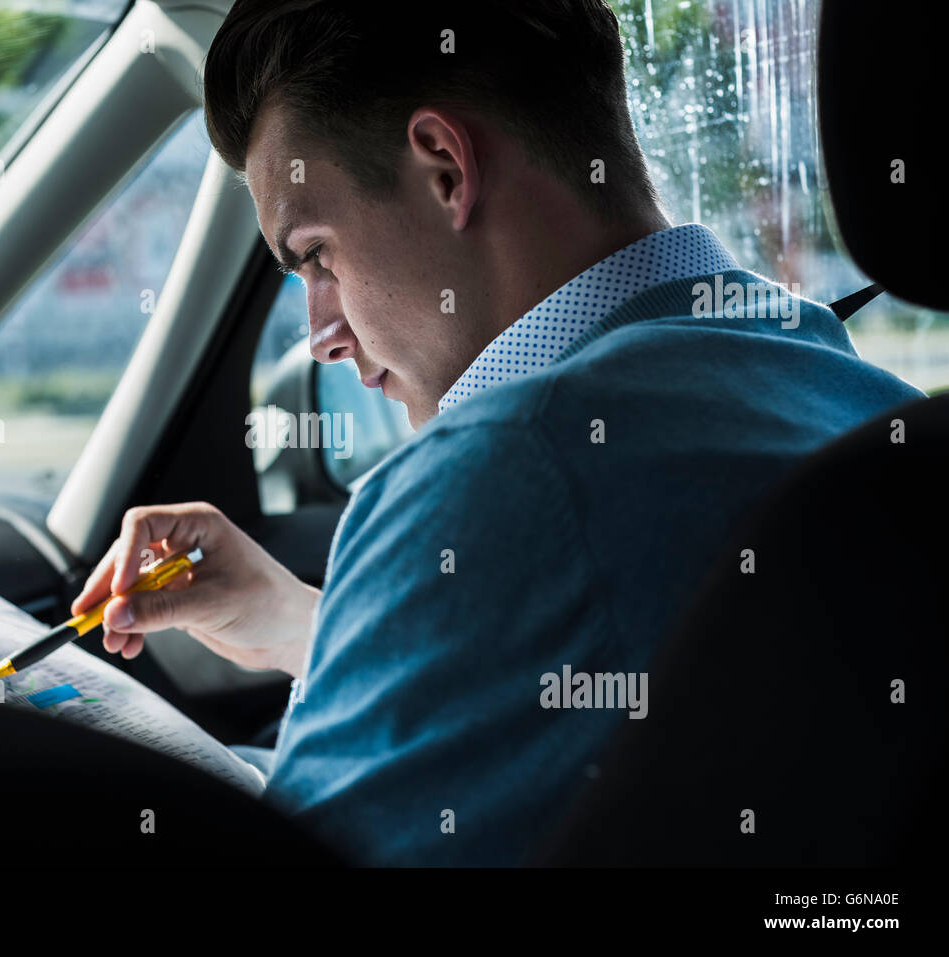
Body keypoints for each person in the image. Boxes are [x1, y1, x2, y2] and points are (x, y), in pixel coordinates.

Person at [70, 0, 923, 864]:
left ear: (445, 167)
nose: (321, 333)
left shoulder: (503, 471)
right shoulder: (859, 402)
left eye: (317, 256)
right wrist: (309, 627)